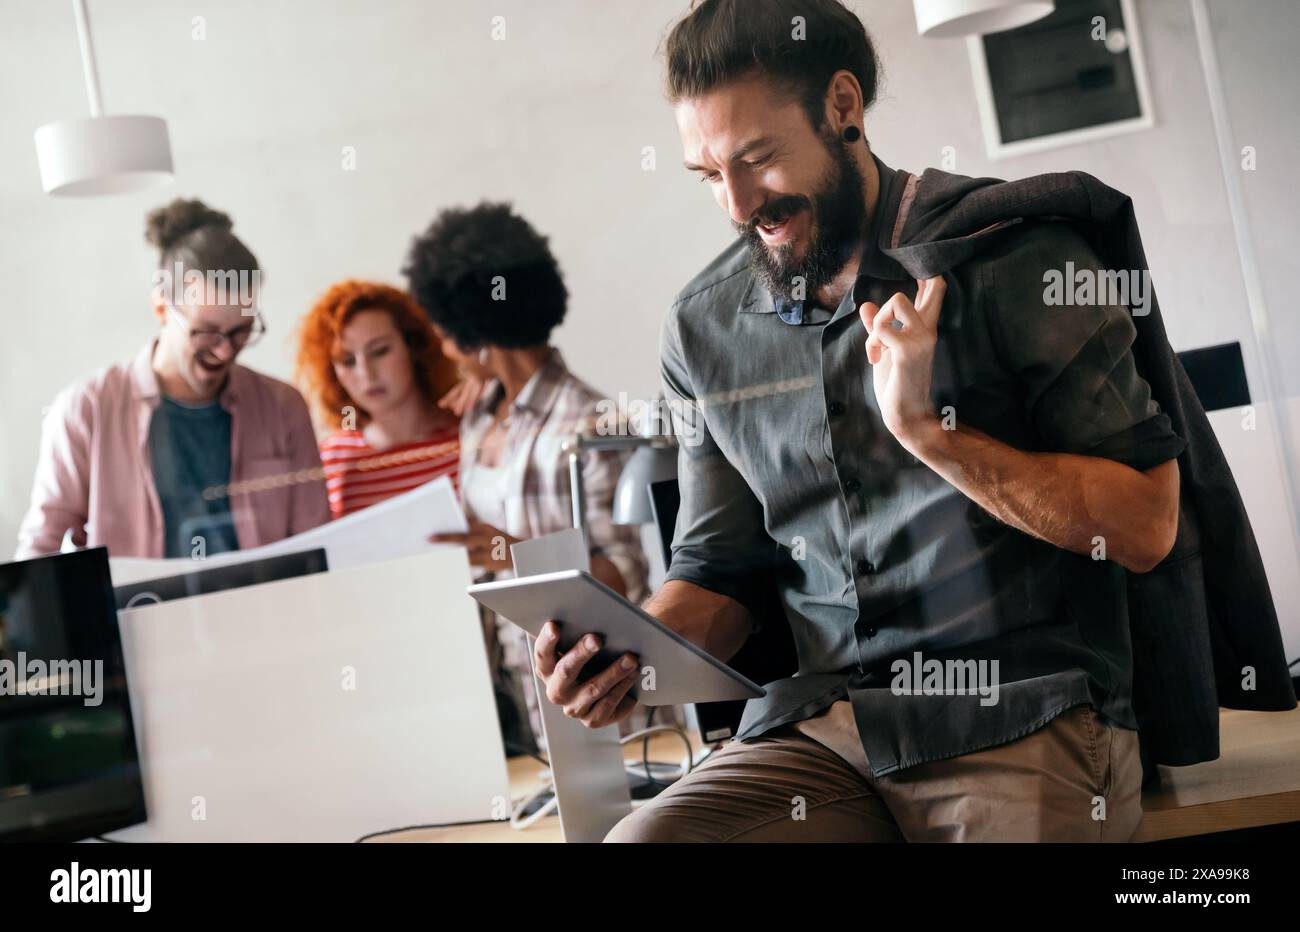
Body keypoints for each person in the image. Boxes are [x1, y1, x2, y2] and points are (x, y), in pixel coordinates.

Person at [532, 0, 1196, 842]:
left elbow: (1144, 525)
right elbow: (720, 572)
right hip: (829, 728)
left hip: (1027, 712)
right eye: (708, 175)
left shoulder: (1016, 257)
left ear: (842, 105)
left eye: (758, 159)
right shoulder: (702, 329)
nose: (738, 206)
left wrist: (933, 437)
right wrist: (630, 653)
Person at [404, 201, 649, 747]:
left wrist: (507, 553)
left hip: (605, 701)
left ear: (470, 329)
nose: (443, 348)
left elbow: (625, 576)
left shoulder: (591, 424)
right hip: (519, 694)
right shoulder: (478, 417)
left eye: (443, 331)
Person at [15, 198, 329, 560]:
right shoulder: (87, 409)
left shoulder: (282, 406)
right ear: (162, 308)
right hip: (136, 614)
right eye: (206, 332)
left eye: (242, 330)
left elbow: (315, 544)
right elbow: (41, 550)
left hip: (269, 614)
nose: (225, 351)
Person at [295, 280, 462, 519]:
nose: (366, 373)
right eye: (347, 361)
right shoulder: (331, 462)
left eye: (380, 351)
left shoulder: (473, 436)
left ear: (414, 347)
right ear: (333, 373)